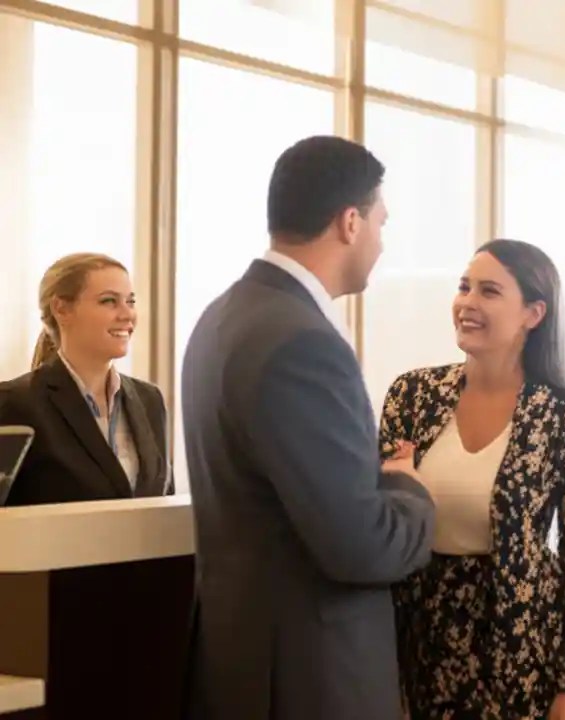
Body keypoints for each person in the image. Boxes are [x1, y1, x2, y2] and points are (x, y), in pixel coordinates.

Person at [182, 135, 436, 720]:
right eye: (380, 222)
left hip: (240, 665)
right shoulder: (303, 342)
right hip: (310, 680)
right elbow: (361, 547)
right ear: (350, 222)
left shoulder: (221, 318)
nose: (380, 241)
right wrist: (406, 487)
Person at [380, 239, 565, 720]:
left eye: (489, 291)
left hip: (521, 652)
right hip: (421, 644)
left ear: (533, 313)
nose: (468, 303)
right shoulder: (411, 395)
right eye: (464, 287)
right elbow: (383, 529)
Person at [0, 253, 171, 505]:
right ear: (61, 309)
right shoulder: (15, 403)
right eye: (109, 301)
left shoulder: (149, 400)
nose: (127, 314)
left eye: (130, 301)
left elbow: (163, 508)